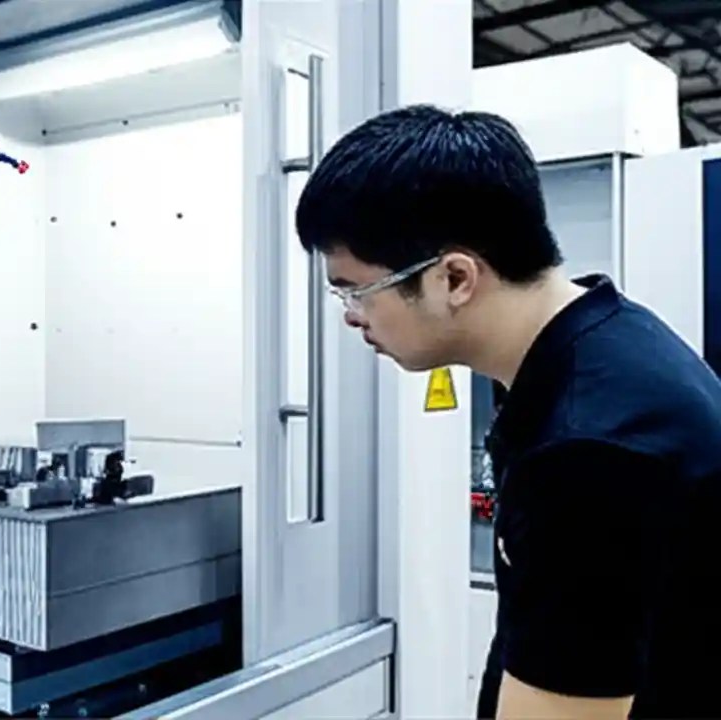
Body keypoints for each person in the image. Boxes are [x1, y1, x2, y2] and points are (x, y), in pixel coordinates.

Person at [294, 104, 720, 719]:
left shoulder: (585, 454)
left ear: (455, 278)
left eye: (355, 289)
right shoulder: (607, 342)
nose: (350, 315)